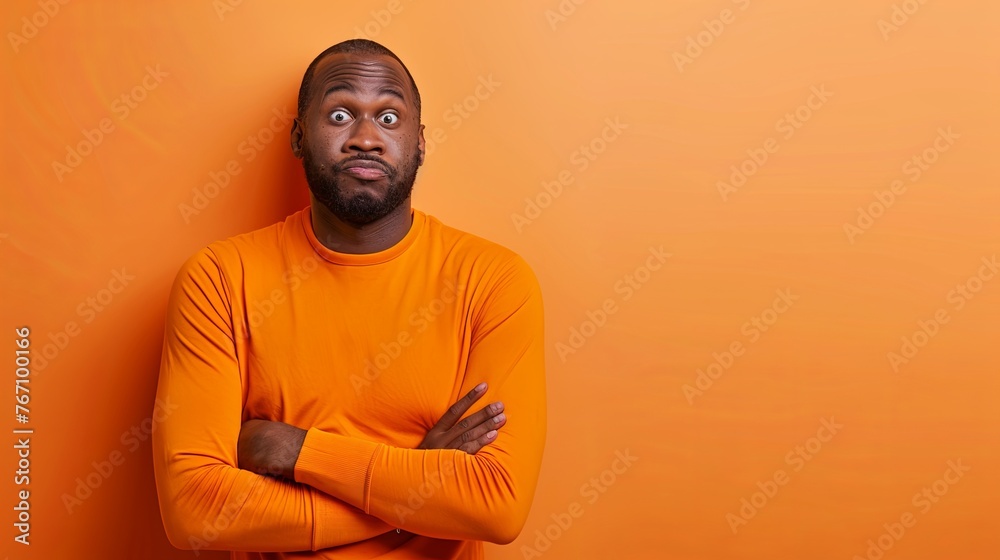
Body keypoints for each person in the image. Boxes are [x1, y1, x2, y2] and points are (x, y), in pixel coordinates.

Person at [151, 39, 547, 559]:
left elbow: (496, 505)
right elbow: (195, 512)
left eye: (388, 117)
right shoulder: (220, 279)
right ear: (299, 137)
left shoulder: (492, 280)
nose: (366, 139)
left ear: (419, 142)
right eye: (340, 115)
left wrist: (296, 450)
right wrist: (416, 496)